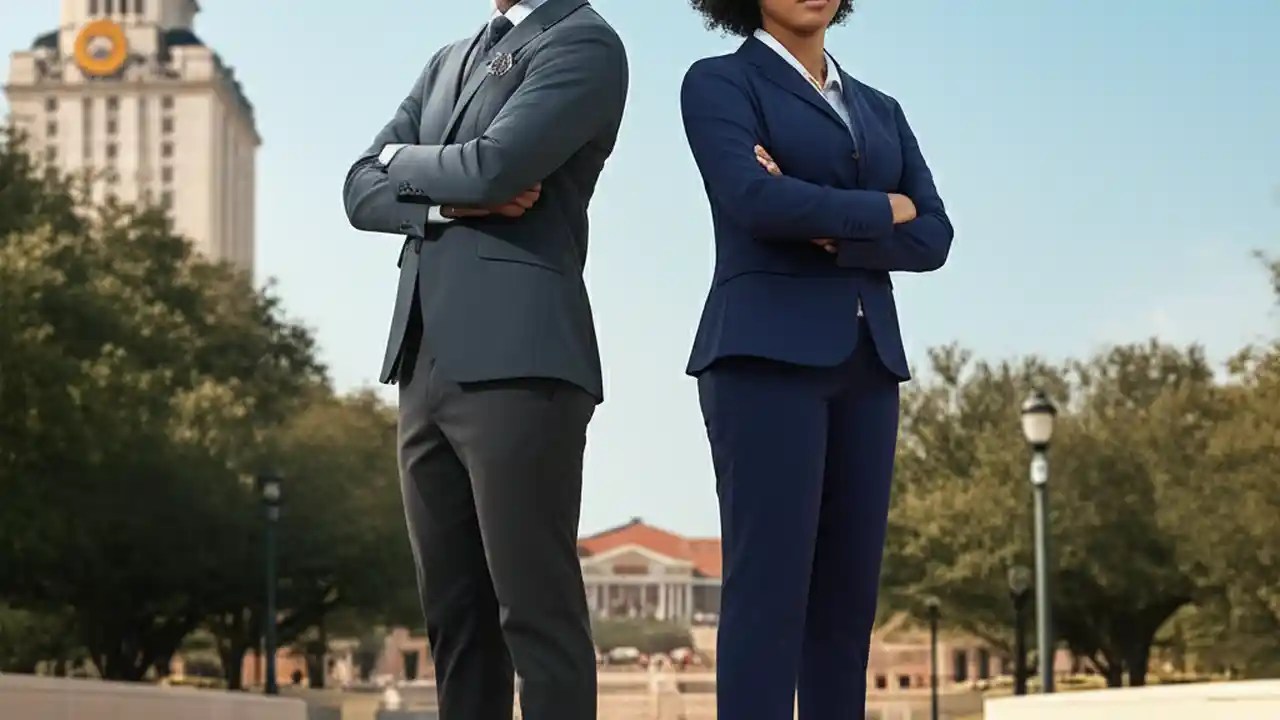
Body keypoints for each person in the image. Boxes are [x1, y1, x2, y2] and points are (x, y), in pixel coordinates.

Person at [341, 1, 628, 718]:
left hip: (521, 360)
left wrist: (399, 164)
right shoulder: (447, 59)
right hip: (422, 360)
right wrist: (442, 203)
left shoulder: (583, 43)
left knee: (535, 613)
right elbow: (356, 189)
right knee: (456, 620)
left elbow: (497, 168)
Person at [679, 1, 953, 717]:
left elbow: (934, 235)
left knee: (846, 604)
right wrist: (881, 206)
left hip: (869, 366)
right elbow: (752, 202)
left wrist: (831, 220)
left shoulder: (881, 108)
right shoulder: (719, 84)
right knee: (768, 595)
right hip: (764, 358)